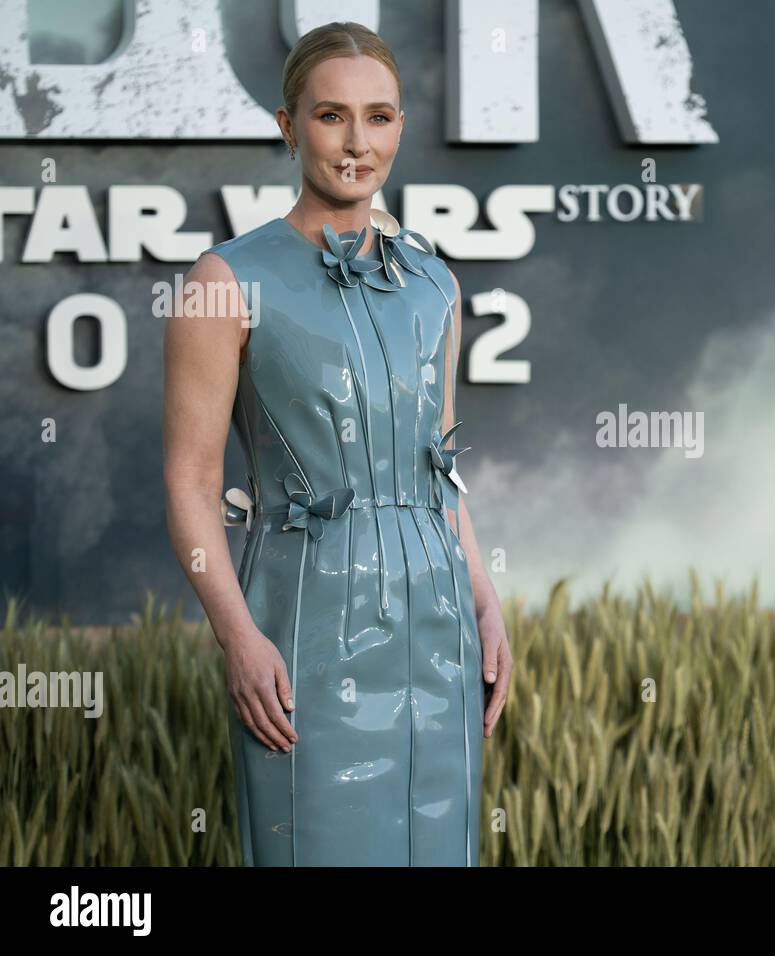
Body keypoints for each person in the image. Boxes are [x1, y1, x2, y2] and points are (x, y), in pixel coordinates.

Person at [162, 20, 511, 866]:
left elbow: (439, 469)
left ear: (400, 126)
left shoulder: (436, 282)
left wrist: (486, 596)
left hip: (438, 623)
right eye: (331, 116)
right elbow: (189, 483)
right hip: (306, 621)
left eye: (380, 117)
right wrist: (239, 638)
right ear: (288, 125)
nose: (358, 143)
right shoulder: (225, 279)